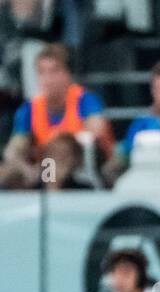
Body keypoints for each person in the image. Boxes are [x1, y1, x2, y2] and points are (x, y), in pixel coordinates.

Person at [1, 43, 113, 186]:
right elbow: (15, 147)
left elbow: (97, 130)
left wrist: (62, 139)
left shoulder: (85, 100)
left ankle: (52, 200)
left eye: (54, 71)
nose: (48, 79)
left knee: (58, 150)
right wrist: (24, 167)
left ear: (68, 74)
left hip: (84, 162)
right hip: (43, 167)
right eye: (42, 72)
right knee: (8, 173)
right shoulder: (29, 109)